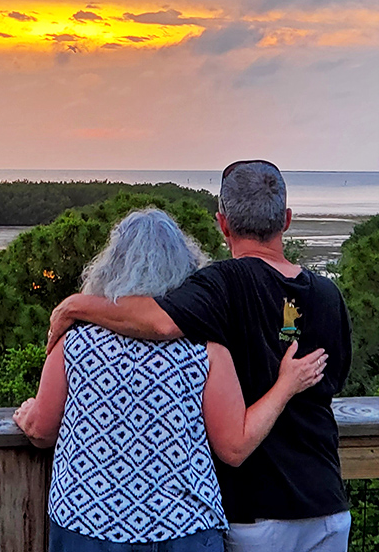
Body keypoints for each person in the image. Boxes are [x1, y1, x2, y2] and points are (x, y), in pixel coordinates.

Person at [47, 162, 352, 552]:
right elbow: (333, 383)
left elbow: (158, 322)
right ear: (287, 220)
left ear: (223, 224)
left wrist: (76, 305)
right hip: (327, 504)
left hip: (259, 511)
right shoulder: (329, 295)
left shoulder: (223, 283)